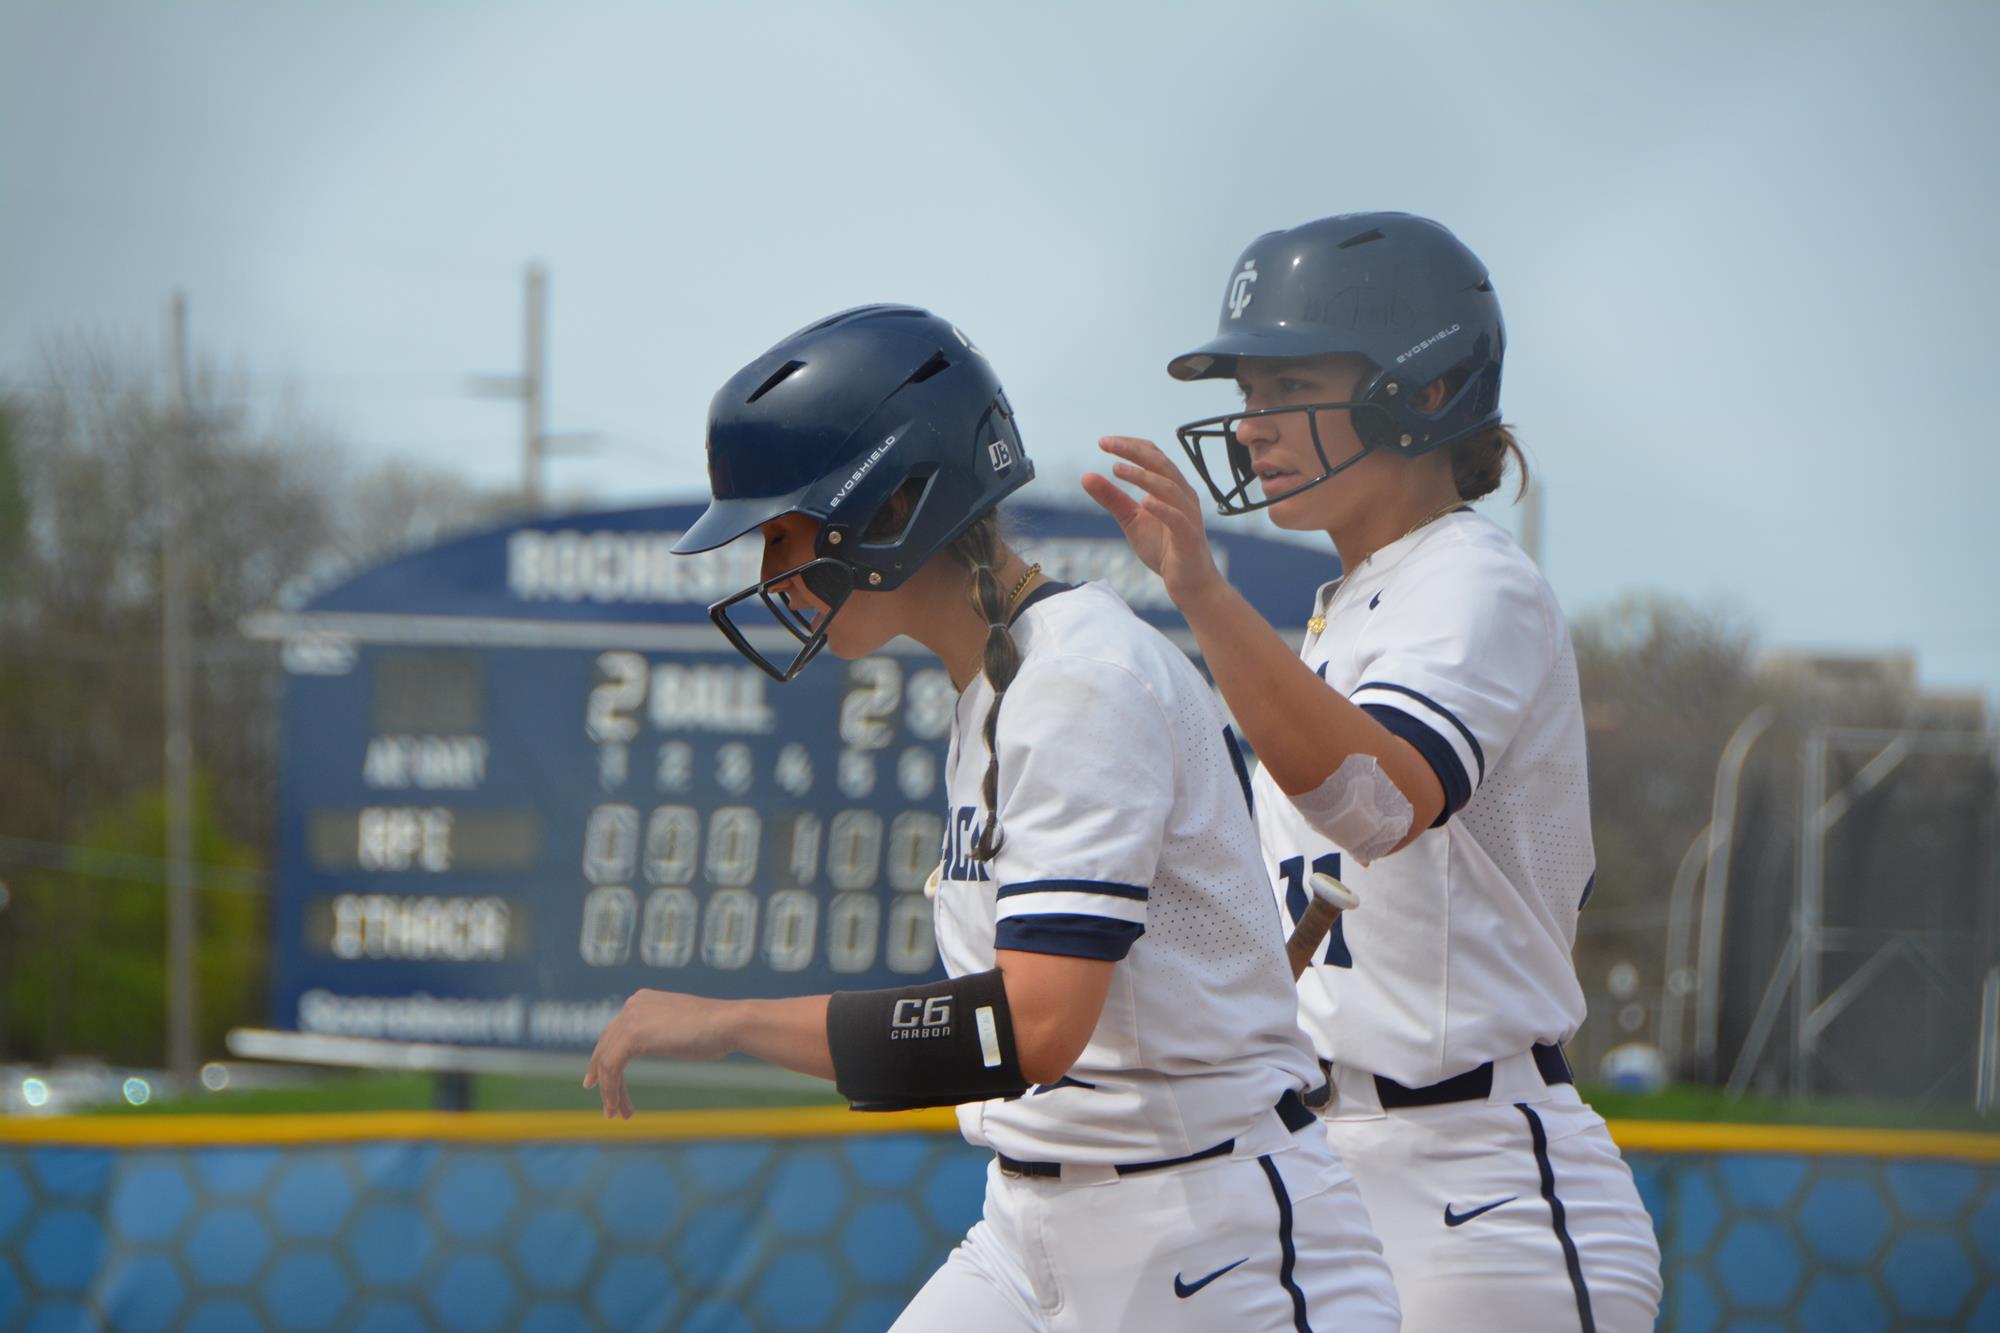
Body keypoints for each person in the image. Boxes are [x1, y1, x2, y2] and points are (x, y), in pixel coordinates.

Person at [585, 304, 1398, 1331]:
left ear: (888, 504)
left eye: (781, 531)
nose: (766, 574)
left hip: (1209, 1239)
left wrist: (731, 1022)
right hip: (1037, 1220)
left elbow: (1028, 1028)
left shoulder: (1076, 679)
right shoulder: (998, 686)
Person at [1083, 213, 1664, 1332]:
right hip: (1327, 1168)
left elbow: (1376, 799)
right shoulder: (1343, 612)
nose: (1250, 428)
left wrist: (1200, 592)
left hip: (1474, 1182)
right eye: (1245, 393)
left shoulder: (1472, 579)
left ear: (1426, 389)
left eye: (1286, 383)